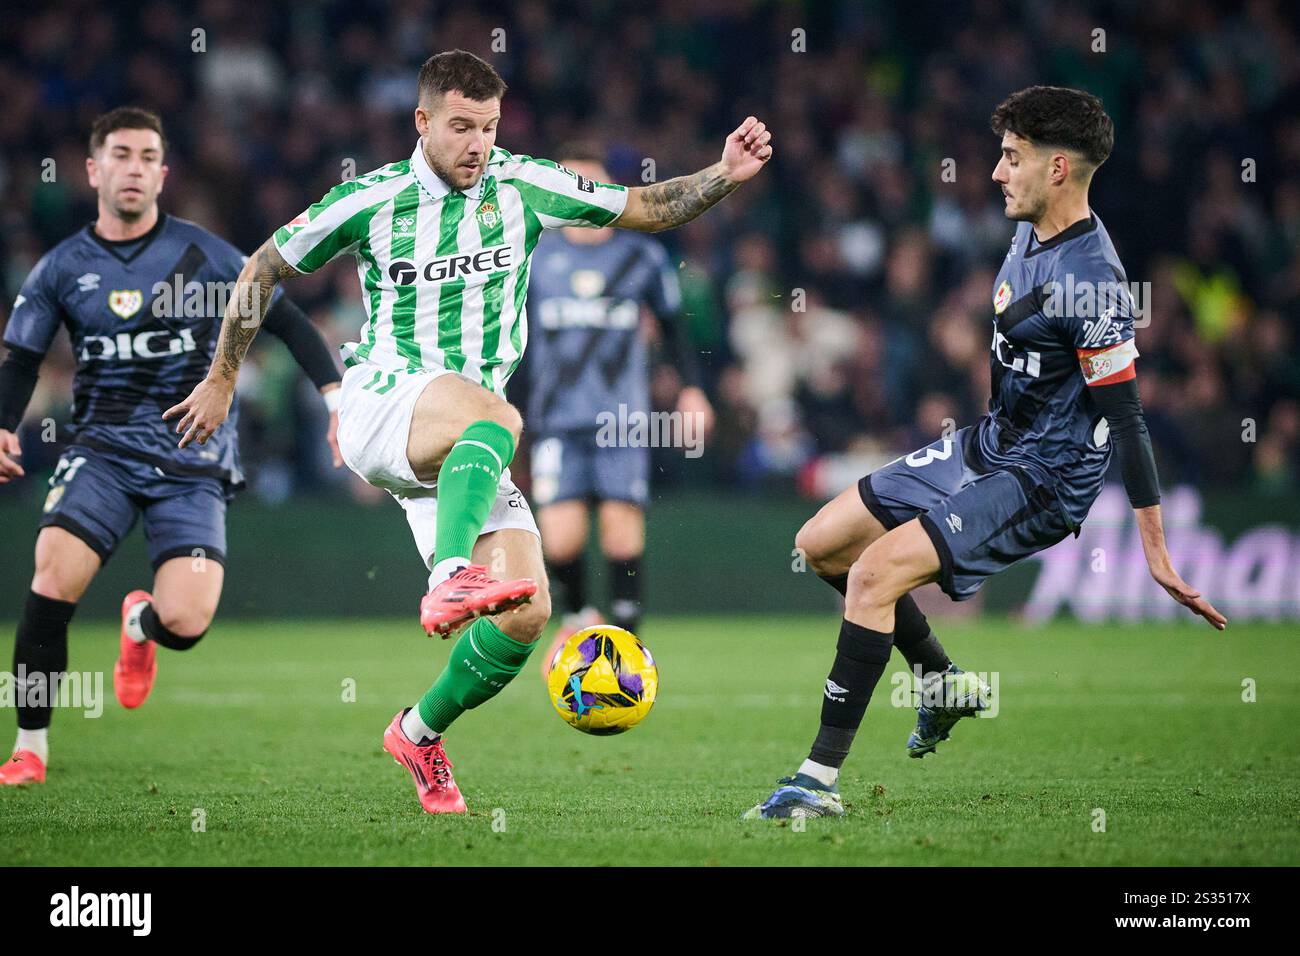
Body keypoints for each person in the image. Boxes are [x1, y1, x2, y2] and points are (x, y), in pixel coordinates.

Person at [164, 50, 771, 814]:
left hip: (461, 446)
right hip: (385, 402)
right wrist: (221, 378)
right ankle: (449, 572)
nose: (477, 143)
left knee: (528, 612)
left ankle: (418, 733)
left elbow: (644, 207)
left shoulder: (524, 185)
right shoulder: (371, 199)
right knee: (498, 416)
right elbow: (261, 268)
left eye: (488, 126)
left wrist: (721, 175)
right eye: (460, 127)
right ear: (422, 122)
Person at [746, 86, 1226, 820]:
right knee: (822, 546)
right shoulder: (1028, 229)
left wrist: (1155, 550)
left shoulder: (1092, 283)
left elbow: (1127, 420)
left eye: (1011, 158)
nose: (996, 173)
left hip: (1043, 478)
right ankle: (939, 681)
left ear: (1058, 169)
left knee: (875, 575)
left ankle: (816, 784)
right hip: (990, 443)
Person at [0, 107, 342, 786]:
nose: (134, 167)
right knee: (51, 577)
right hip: (100, 450)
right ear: (94, 170)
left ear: (163, 172)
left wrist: (335, 399)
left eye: (148, 156)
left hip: (191, 458)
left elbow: (291, 324)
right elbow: (20, 358)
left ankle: (142, 627)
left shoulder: (208, 256)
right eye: (120, 154)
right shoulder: (62, 267)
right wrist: (5, 423)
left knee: (186, 621)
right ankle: (29, 745)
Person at [518, 142, 713, 672]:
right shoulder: (535, 254)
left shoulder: (640, 254)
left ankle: (627, 651)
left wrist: (692, 389)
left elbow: (675, 324)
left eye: (588, 185)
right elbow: (513, 337)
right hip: (554, 419)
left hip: (621, 420)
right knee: (559, 538)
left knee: (621, 532)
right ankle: (577, 619)